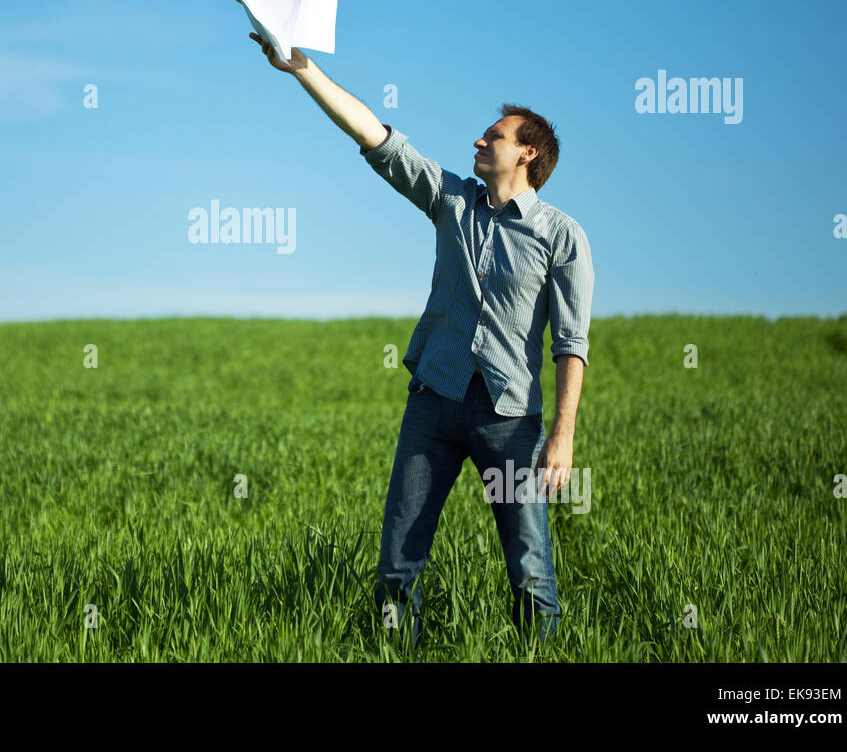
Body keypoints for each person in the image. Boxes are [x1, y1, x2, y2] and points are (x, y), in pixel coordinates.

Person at [250, 33, 594, 649]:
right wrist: (301, 68)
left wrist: (563, 435)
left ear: (527, 153)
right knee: (398, 563)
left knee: (530, 569)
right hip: (432, 404)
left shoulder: (563, 237)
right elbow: (376, 137)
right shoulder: (451, 200)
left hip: (509, 419)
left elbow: (571, 343)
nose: (478, 141)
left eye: (494, 136)